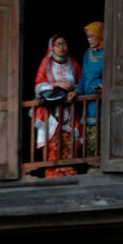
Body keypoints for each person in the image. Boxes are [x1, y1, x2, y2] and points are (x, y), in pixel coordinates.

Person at [33, 35, 81, 178]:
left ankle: (71, 176)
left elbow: (82, 82)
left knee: (71, 144)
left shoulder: (73, 63)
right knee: (53, 147)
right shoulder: (46, 63)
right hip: (51, 113)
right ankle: (53, 177)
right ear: (52, 47)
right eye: (58, 44)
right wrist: (56, 85)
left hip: (70, 113)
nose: (62, 47)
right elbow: (38, 86)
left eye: (65, 44)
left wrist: (74, 90)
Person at [76, 21, 104, 157]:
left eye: (92, 36)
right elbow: (83, 77)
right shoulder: (88, 53)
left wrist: (106, 86)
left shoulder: (109, 52)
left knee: (103, 142)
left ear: (100, 35)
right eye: (88, 37)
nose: (90, 40)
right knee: (90, 145)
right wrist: (76, 91)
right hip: (88, 106)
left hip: (103, 104)